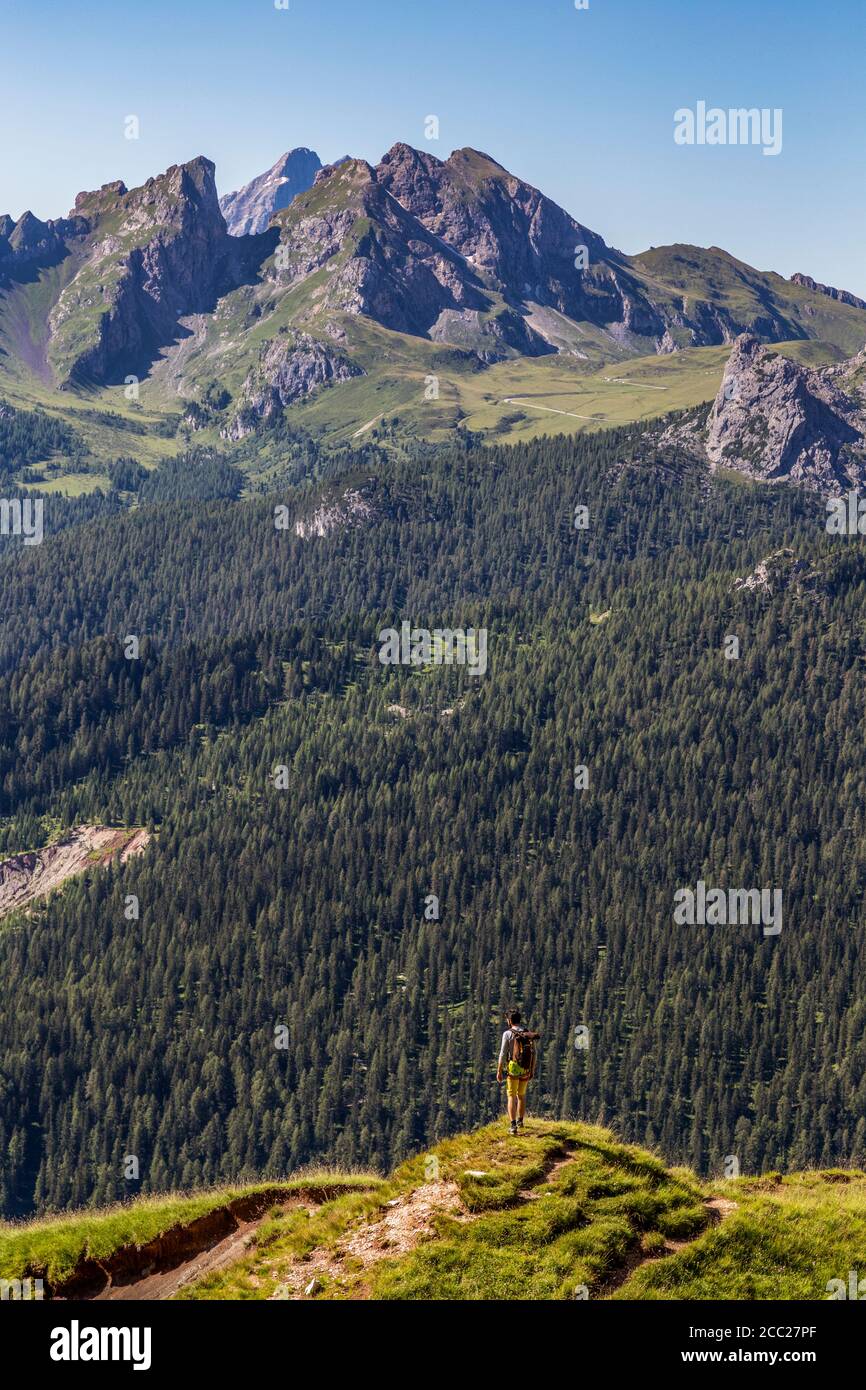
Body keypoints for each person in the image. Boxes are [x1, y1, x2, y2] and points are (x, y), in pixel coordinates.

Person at [496, 1009, 540, 1135]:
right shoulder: (527, 1033)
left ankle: (513, 1125)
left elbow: (503, 1054)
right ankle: (521, 1121)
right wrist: (531, 1069)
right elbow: (534, 1053)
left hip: (514, 1069)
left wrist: (499, 1071)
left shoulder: (507, 1034)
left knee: (511, 1095)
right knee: (521, 1095)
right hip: (526, 1068)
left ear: (509, 1020)